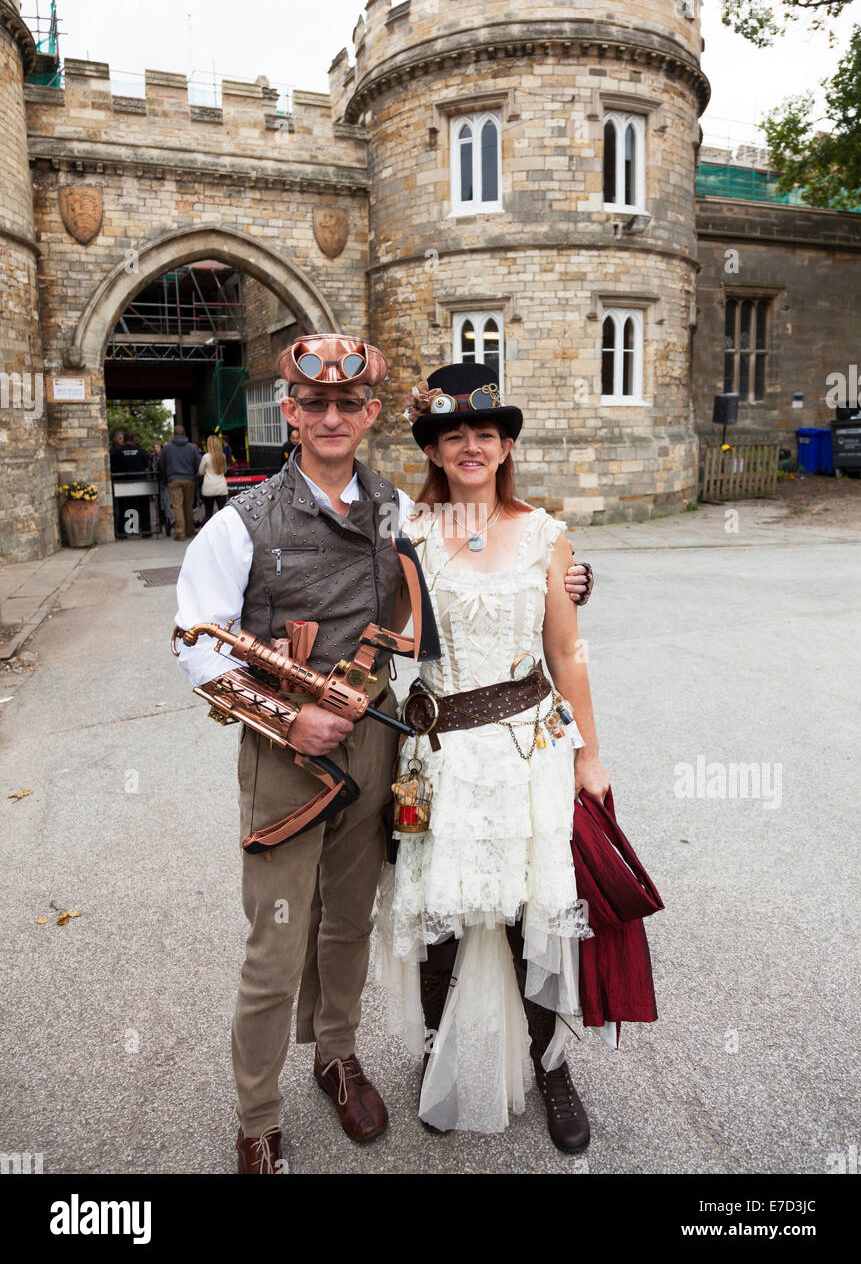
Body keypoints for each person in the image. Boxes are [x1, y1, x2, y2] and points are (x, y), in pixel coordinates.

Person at [172, 335, 593, 1174]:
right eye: (313, 403)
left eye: (349, 405)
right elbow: (195, 643)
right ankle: (258, 1120)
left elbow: (496, 551)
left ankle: (337, 1055)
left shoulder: (397, 508)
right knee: (275, 943)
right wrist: (285, 721)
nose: (331, 417)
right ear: (288, 411)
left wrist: (577, 579)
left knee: (351, 922)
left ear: (369, 415)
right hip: (285, 746)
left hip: (380, 738)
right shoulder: (238, 523)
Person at [376, 362, 610, 1151]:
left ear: (505, 444)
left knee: (528, 912)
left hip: (528, 746)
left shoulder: (547, 534)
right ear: (435, 452)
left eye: (485, 433)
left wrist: (590, 755)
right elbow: (373, 620)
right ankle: (443, 1046)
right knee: (442, 910)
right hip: (441, 750)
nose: (470, 447)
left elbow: (568, 650)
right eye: (453, 437)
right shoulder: (408, 535)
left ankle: (551, 1065)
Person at [159, 424, 201, 541]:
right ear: (185, 434)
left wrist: (164, 480)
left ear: (173, 434)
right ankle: (190, 531)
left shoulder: (167, 448)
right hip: (189, 479)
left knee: (177, 507)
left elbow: (161, 465)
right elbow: (198, 462)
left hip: (173, 480)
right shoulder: (191, 447)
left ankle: (180, 533)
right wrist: (195, 473)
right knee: (188, 506)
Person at [199, 433, 229, 521]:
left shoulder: (206, 457)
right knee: (222, 513)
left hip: (209, 488)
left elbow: (200, 471)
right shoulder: (222, 456)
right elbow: (224, 471)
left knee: (208, 513)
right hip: (221, 487)